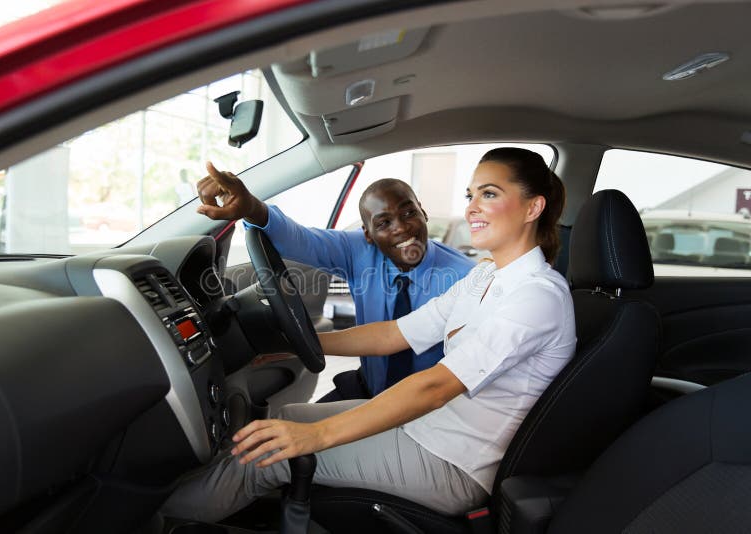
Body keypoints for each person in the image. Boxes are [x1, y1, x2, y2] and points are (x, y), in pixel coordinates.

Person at [163, 147, 576, 522]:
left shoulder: (536, 296)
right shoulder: (486, 276)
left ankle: (156, 521)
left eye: (488, 194)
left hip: (453, 461)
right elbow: (393, 334)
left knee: (266, 454)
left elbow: (434, 386)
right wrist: (299, 342)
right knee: (283, 419)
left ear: (532, 207)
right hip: (425, 428)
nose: (471, 208)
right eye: (470, 196)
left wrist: (316, 436)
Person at [195, 165, 474, 400]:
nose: (400, 227)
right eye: (384, 222)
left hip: (427, 407)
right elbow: (298, 239)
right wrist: (251, 208)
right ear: (368, 234)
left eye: (409, 213)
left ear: (423, 213)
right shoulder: (359, 250)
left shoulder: (464, 278)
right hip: (369, 389)